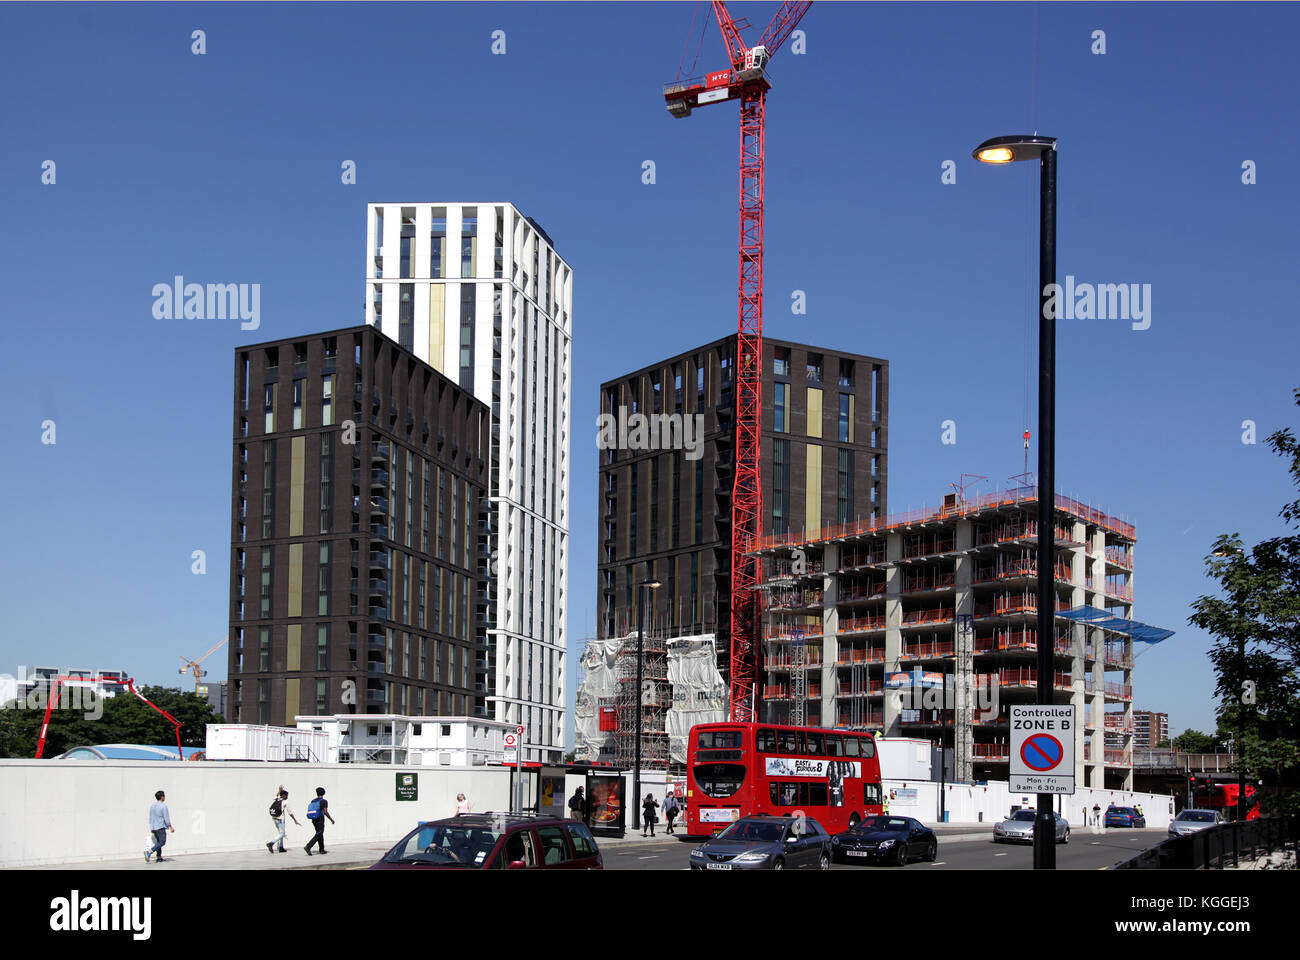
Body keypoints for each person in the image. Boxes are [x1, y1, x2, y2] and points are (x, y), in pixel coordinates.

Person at [267, 786, 301, 853]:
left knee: (280, 833)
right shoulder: (286, 802)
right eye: (286, 795)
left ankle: (281, 847)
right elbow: (290, 812)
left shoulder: (277, 799)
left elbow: (275, 796)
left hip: (274, 818)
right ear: (284, 795)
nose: (287, 796)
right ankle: (271, 843)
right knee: (282, 833)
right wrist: (295, 820)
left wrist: (279, 791)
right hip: (280, 819)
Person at [304, 786, 335, 856]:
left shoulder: (313, 801)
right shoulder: (324, 801)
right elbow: (325, 812)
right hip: (320, 819)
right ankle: (308, 846)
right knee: (319, 834)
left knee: (319, 833)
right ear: (323, 793)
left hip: (314, 819)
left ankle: (321, 849)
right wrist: (331, 819)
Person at [145, 790, 174, 863]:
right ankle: (149, 852)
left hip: (154, 827)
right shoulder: (163, 806)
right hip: (160, 827)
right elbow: (166, 819)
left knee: (158, 842)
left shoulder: (152, 806)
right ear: (162, 797)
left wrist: (151, 827)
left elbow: (151, 817)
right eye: (164, 796)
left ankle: (159, 857)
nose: (164, 797)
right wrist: (170, 827)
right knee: (162, 842)